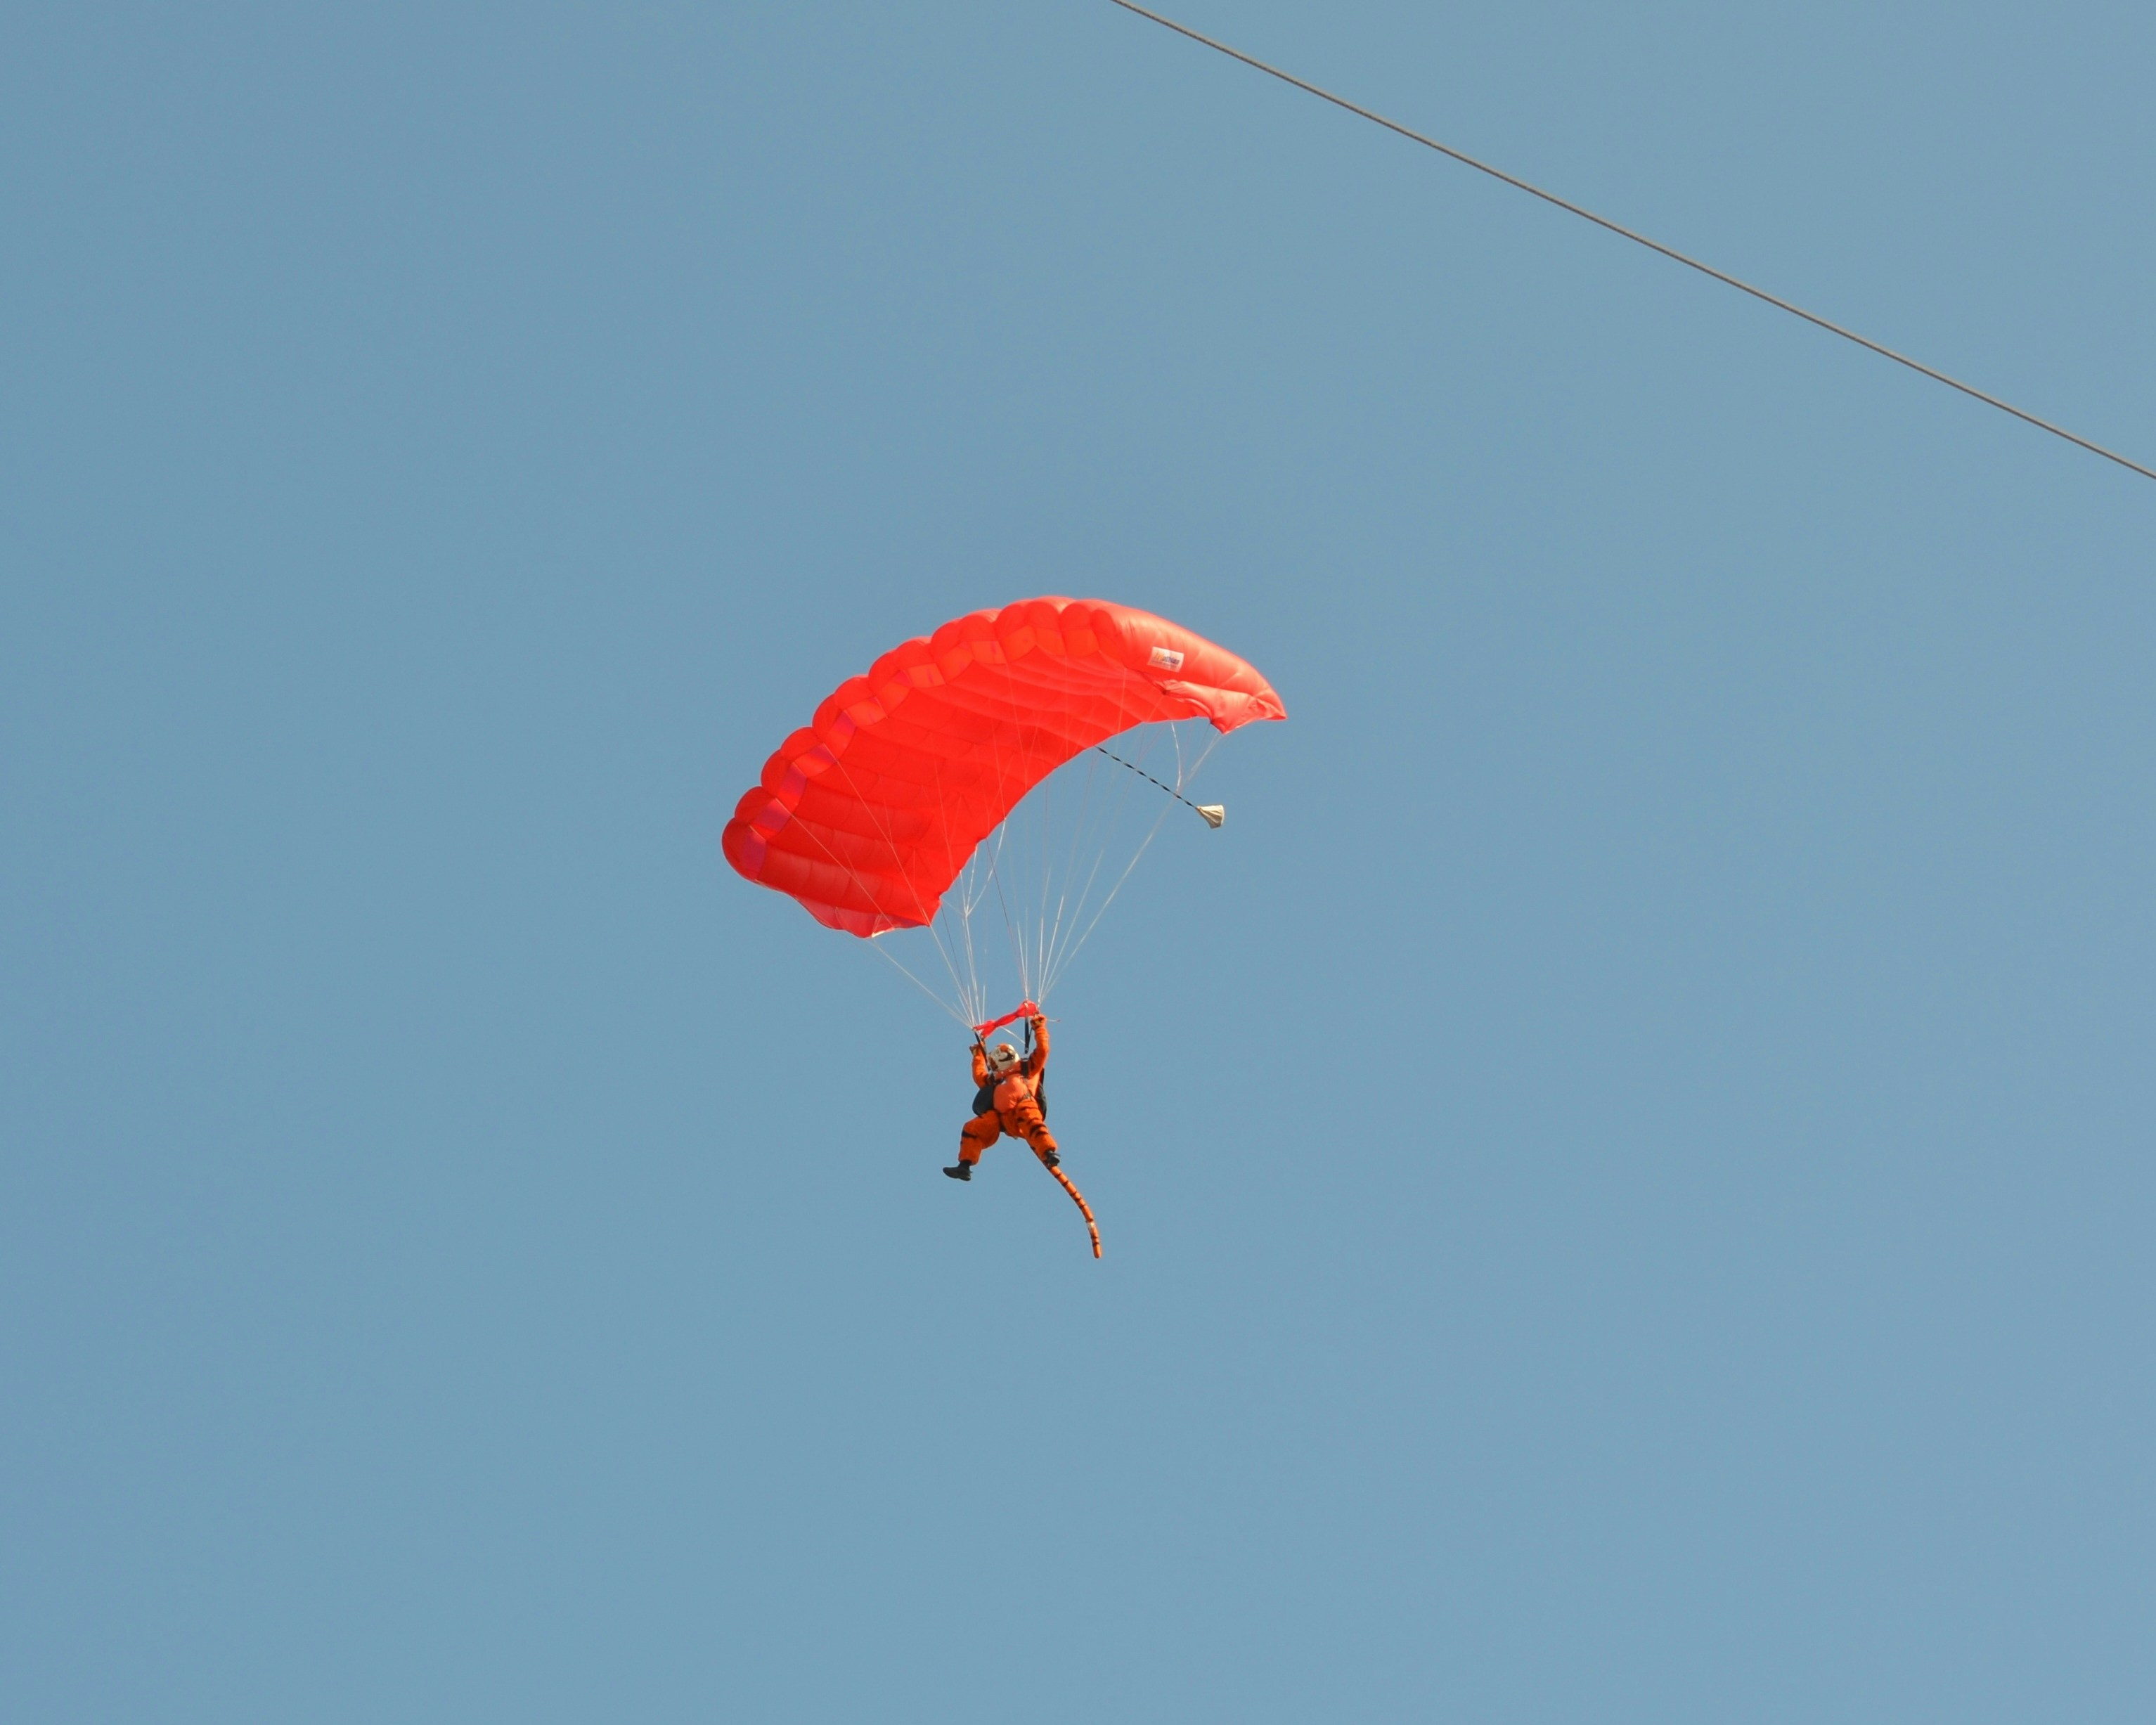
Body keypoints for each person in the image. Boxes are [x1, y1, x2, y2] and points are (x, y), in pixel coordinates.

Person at [944, 1014, 1057, 1180]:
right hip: (1000, 1118)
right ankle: (964, 1166)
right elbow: (979, 1075)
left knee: (1032, 1119)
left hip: (1023, 1108)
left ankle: (1048, 1151)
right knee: (972, 1128)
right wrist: (978, 1055)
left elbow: (1043, 1050)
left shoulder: (1027, 1068)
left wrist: (1039, 1028)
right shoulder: (995, 1079)